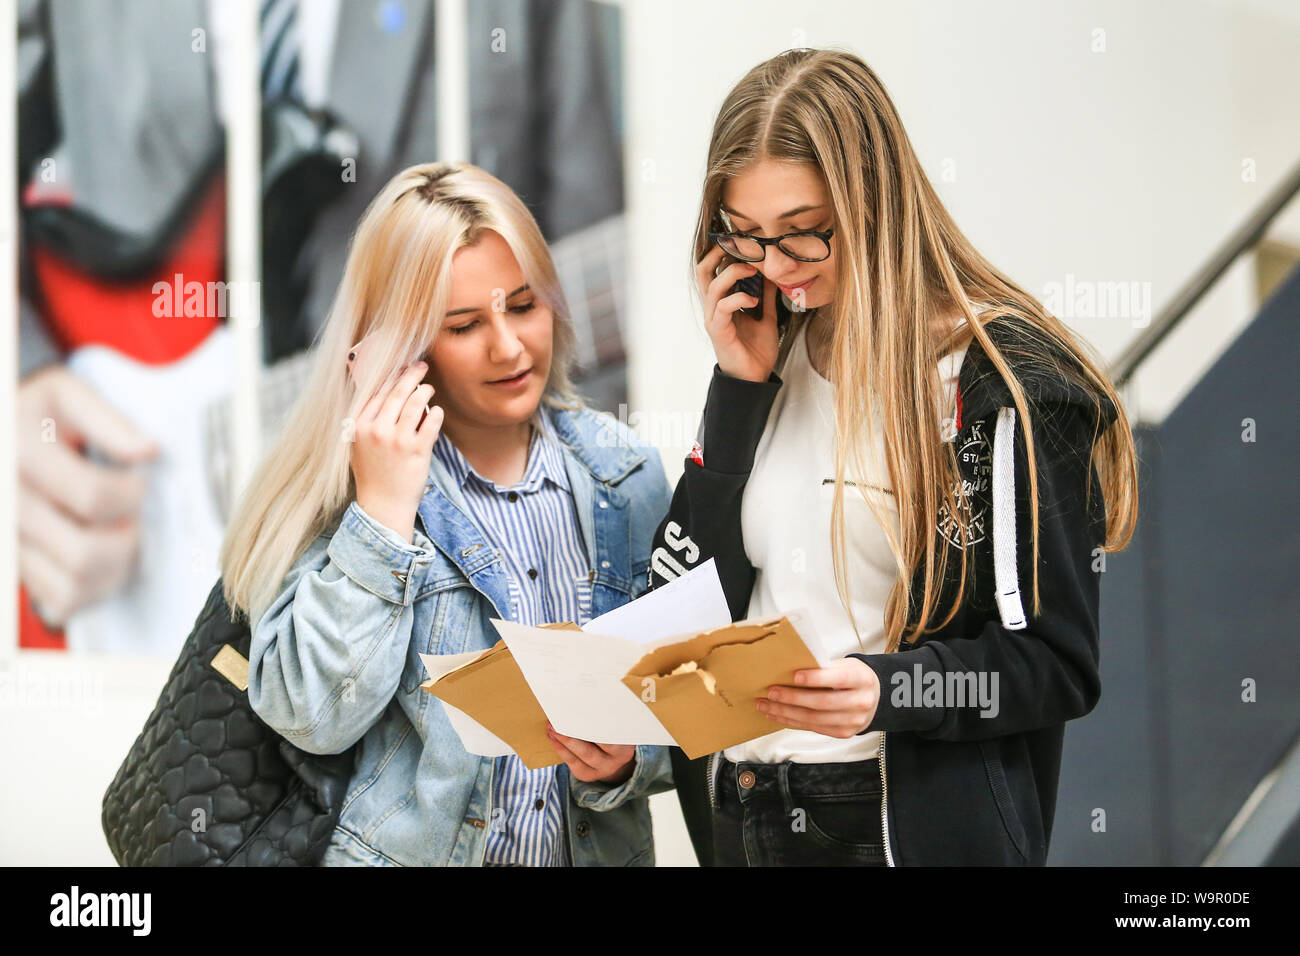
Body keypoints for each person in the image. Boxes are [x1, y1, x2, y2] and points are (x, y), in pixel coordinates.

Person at [649, 48, 1139, 866]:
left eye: (803, 236)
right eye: (745, 237)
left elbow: (1054, 666)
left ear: (875, 199)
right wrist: (735, 392)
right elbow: (682, 599)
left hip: (884, 823)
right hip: (744, 809)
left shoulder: (1003, 383)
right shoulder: (763, 356)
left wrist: (891, 689)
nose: (773, 268)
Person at [220, 162, 672, 866]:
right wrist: (383, 510)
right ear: (404, 346)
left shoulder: (628, 477)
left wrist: (628, 759)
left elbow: (693, 715)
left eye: (523, 306)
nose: (510, 346)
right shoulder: (354, 488)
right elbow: (310, 715)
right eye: (464, 325)